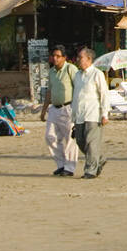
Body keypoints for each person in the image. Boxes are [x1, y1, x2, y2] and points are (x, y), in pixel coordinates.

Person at [41, 45, 80, 177]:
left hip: (68, 107)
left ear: (64, 58)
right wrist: (43, 110)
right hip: (54, 108)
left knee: (70, 138)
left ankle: (69, 167)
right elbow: (49, 91)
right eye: (54, 56)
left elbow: (78, 87)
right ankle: (61, 164)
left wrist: (78, 107)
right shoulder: (51, 72)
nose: (55, 59)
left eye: (58, 56)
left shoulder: (71, 69)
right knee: (50, 136)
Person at [71, 48, 109, 178]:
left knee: (92, 143)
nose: (78, 60)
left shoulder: (97, 74)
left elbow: (104, 94)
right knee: (80, 141)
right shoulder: (77, 75)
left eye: (80, 57)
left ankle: (90, 170)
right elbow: (76, 95)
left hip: (93, 114)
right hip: (79, 114)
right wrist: (73, 114)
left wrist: (105, 113)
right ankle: (99, 159)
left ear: (89, 59)